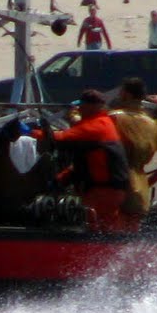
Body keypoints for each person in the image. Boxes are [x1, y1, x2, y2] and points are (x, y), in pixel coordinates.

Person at [48, 89, 130, 233]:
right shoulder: (101, 122)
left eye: (82, 105)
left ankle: (106, 245)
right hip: (106, 189)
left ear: (92, 106)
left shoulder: (97, 126)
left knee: (100, 227)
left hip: (104, 190)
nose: (80, 108)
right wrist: (62, 178)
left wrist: (30, 133)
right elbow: (85, 160)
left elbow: (62, 137)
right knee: (101, 226)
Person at [109, 76, 157, 224]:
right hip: (139, 186)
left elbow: (88, 128)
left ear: (125, 94)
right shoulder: (152, 123)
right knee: (133, 221)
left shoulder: (112, 118)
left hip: (112, 180)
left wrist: (74, 115)